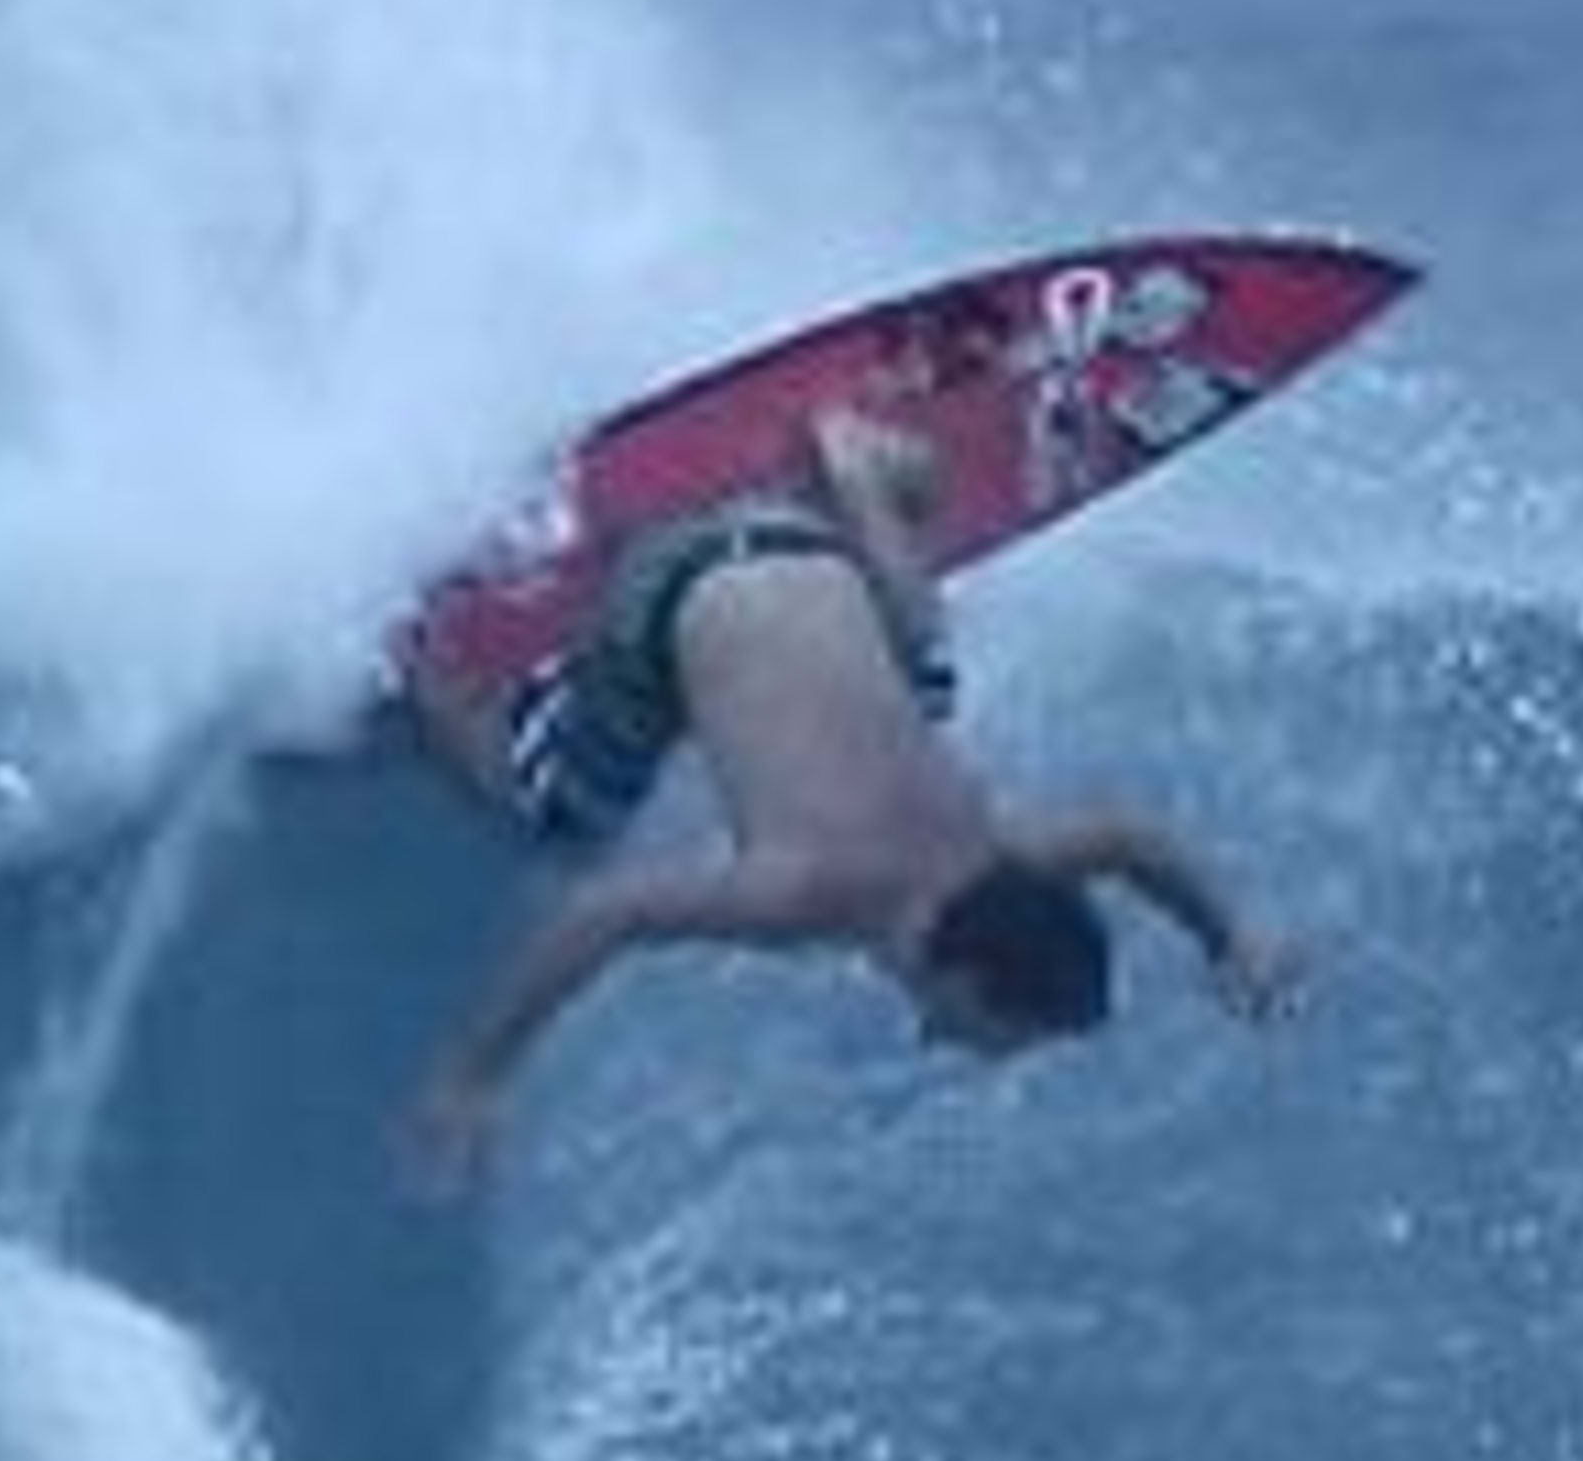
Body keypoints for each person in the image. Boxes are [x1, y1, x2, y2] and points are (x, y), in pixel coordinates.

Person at [401, 403, 1304, 1194]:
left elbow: (1128, 837)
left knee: (932, 688)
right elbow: (603, 915)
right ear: (957, 976)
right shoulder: (806, 900)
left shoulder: (1001, 853)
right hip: (671, 572)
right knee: (560, 825)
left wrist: (1231, 935)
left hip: (809, 543)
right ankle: (436, 674)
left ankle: (864, 472)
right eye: (989, 1030)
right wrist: (476, 1075)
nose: (973, 1052)